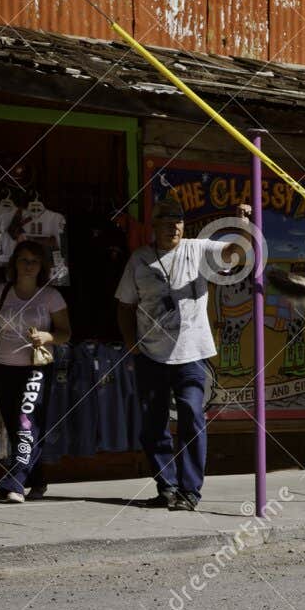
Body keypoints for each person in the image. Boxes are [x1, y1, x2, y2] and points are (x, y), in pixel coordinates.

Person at [115, 201, 251, 511]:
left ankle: (190, 492)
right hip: (151, 354)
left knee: (192, 417)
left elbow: (234, 254)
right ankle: (167, 487)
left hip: (191, 354)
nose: (173, 226)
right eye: (166, 220)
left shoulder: (197, 249)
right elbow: (124, 305)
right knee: (152, 425)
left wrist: (242, 227)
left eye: (178, 221)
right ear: (154, 224)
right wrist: (130, 344)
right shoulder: (140, 259)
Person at [0, 238, 71, 502]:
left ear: (41, 265)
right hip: (1, 367)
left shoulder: (52, 296)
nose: (28, 265)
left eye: (34, 261)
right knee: (16, 427)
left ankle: (15, 483)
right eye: (23, 260)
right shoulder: (0, 292)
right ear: (14, 263)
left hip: (36, 370)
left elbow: (66, 332)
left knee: (26, 423)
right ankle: (37, 479)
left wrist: (48, 337)